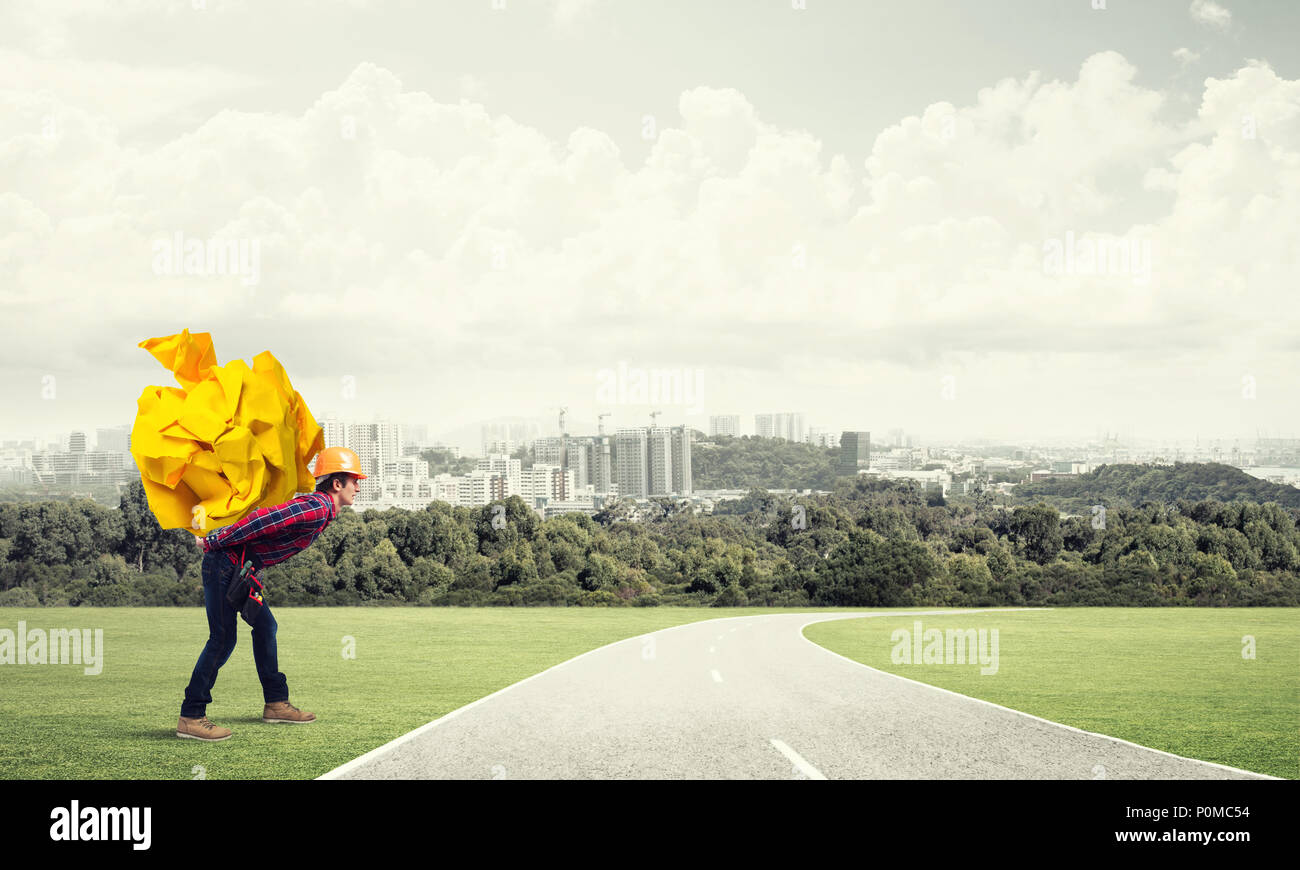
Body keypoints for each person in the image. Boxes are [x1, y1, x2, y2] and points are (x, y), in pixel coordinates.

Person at [175, 446, 366, 742]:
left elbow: (267, 538)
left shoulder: (323, 511)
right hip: (225, 563)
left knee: (266, 626)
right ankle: (191, 716)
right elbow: (262, 520)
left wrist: (254, 573)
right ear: (337, 484)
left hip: (240, 568)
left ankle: (276, 704)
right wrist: (214, 541)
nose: (358, 486)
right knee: (222, 639)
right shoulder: (316, 507)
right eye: (354, 480)